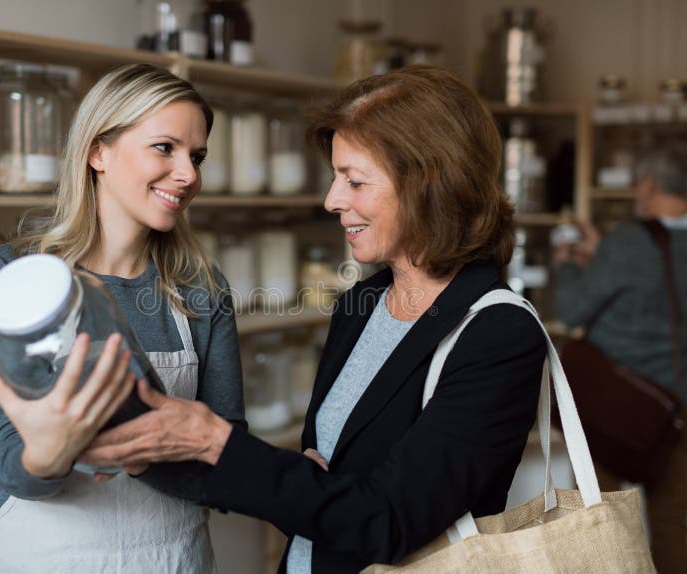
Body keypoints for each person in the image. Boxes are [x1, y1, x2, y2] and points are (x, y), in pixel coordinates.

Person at [77, 65, 548, 573]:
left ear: (431, 184)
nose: (332, 200)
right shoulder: (360, 304)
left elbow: (386, 520)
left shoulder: (499, 332)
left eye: (355, 180)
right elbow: (317, 480)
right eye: (335, 177)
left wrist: (215, 443)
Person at [0, 63, 245, 573]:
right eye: (165, 148)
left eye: (196, 156)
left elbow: (225, 458)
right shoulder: (9, 280)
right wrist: (47, 454)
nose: (189, 175)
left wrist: (136, 453)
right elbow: (8, 459)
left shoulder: (201, 290)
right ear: (98, 152)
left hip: (171, 560)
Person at [554, 145, 687, 574]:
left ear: (647, 186)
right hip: (676, 413)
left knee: (601, 521)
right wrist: (604, 253)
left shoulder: (627, 241)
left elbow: (574, 311)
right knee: (674, 529)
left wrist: (569, 266)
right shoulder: (629, 245)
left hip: (612, 408)